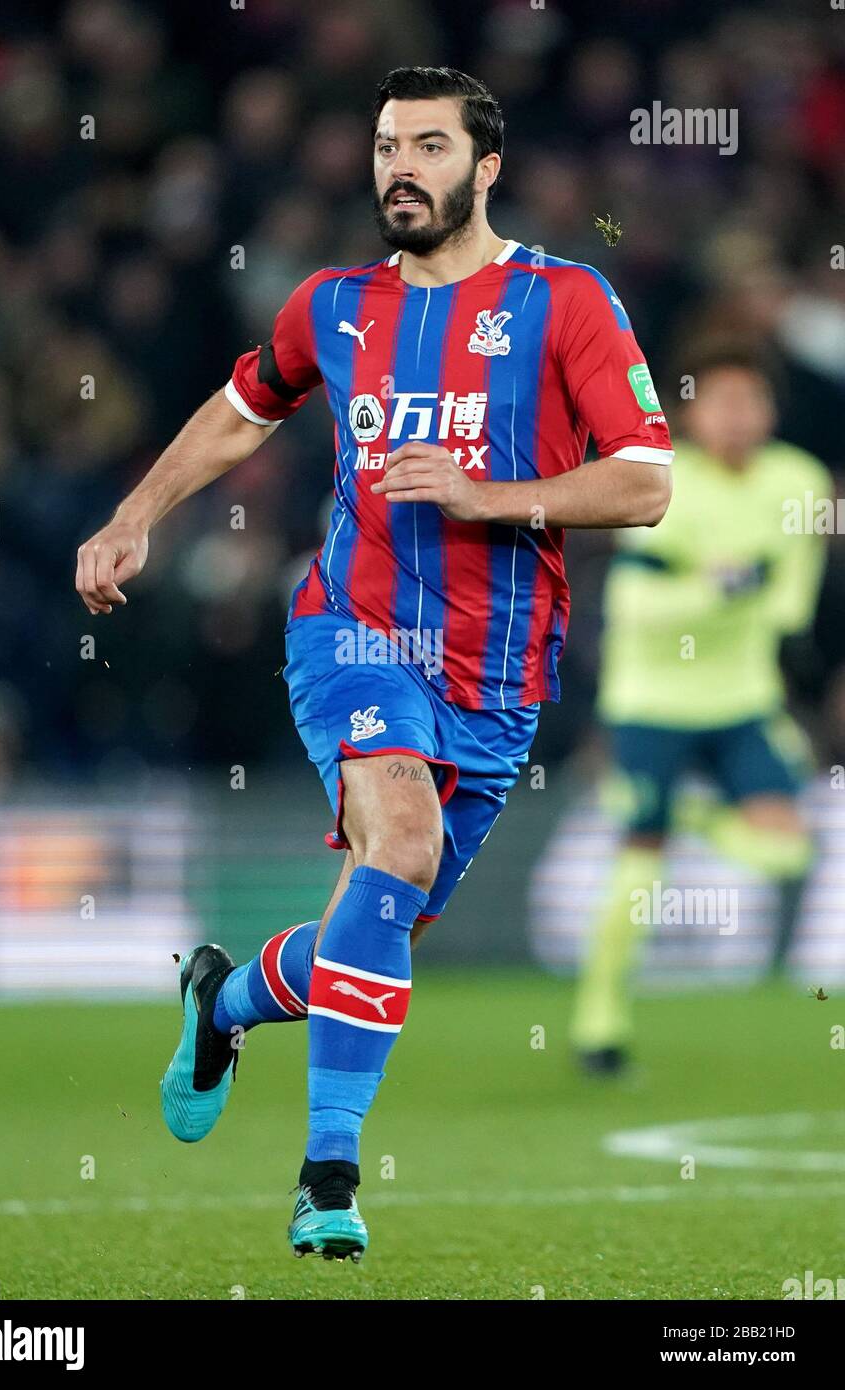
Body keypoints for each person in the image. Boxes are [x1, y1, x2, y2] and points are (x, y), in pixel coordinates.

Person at [75, 65, 672, 1262]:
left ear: (486, 166)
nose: (402, 167)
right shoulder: (332, 306)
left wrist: (489, 495)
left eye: (432, 147)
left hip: (498, 678)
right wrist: (140, 509)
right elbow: (246, 407)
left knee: (379, 922)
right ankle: (327, 1178)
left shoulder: (568, 301)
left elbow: (646, 481)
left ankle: (224, 999)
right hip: (353, 630)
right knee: (398, 843)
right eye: (389, 145)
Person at [571, 341, 829, 1075]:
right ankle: (600, 1024)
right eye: (722, 402)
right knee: (638, 866)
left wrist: (718, 589)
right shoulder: (659, 480)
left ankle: (693, 815)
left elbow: (787, 607)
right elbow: (633, 605)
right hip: (651, 700)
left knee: (789, 846)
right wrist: (722, 589)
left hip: (743, 697)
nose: (738, 417)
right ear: (691, 411)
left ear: (770, 410)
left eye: (751, 402)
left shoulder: (797, 480)